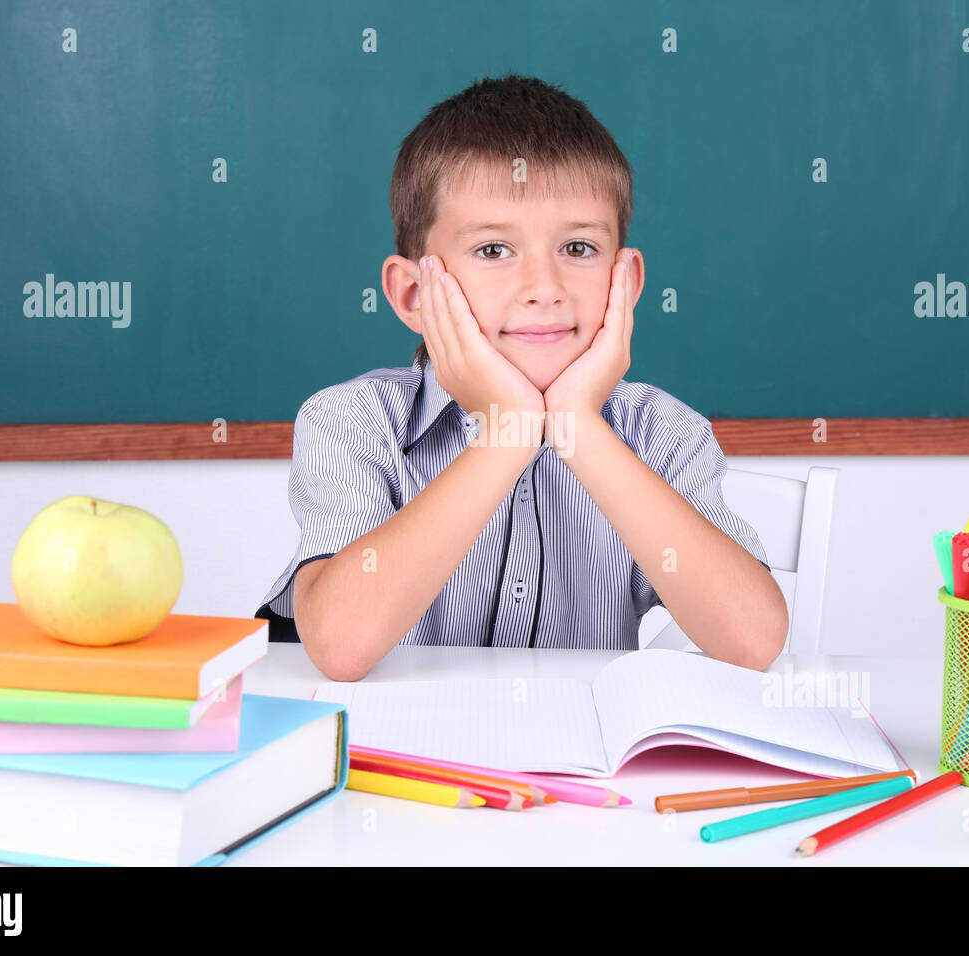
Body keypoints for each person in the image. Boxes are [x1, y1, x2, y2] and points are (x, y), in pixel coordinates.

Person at [256, 74, 786, 680]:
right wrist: (507, 431)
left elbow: (751, 643)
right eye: (493, 251)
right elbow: (342, 644)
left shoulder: (660, 431)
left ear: (627, 282)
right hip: (404, 761)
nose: (544, 289)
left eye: (579, 249)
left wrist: (578, 428)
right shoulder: (352, 422)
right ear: (412, 294)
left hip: (583, 764)